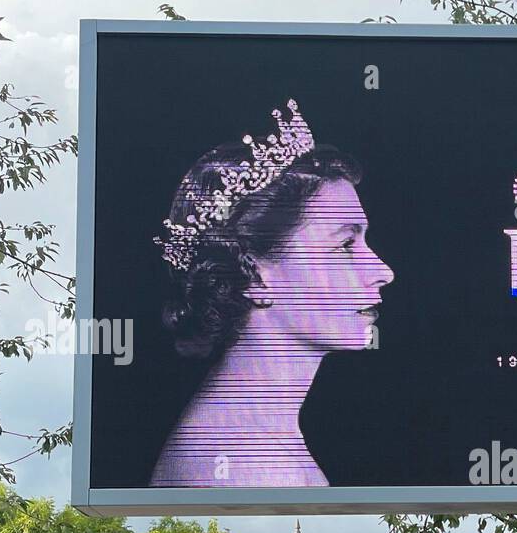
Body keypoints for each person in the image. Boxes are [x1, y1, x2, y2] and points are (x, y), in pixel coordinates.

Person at [150, 98, 394, 487]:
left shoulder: (262, 438)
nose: (384, 272)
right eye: (345, 245)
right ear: (256, 275)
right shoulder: (242, 461)